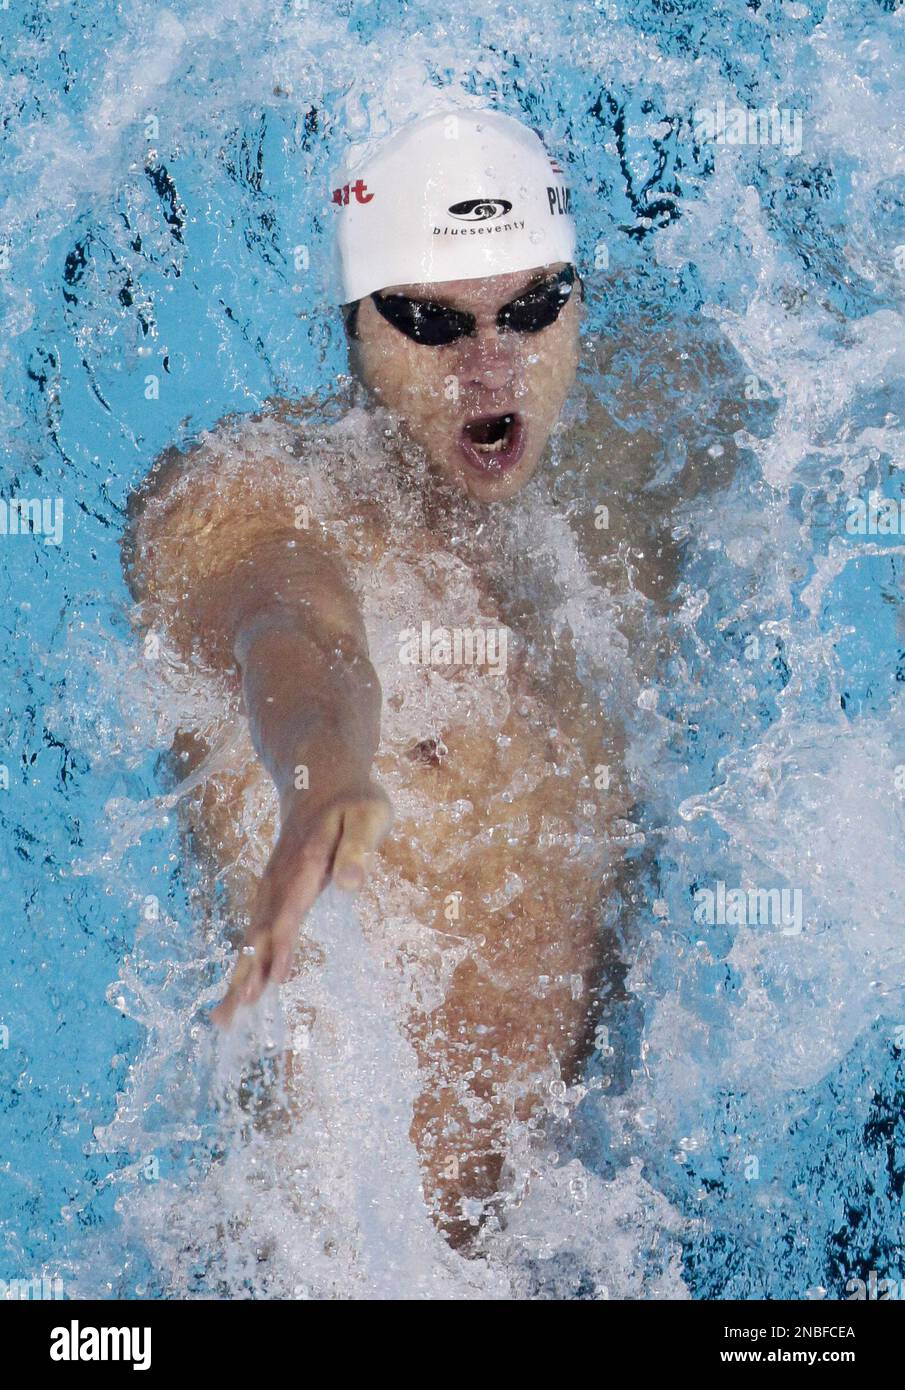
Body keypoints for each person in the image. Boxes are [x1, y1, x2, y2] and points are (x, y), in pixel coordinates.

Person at [123, 108, 628, 1250]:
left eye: (532, 309)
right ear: (352, 329)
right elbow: (290, 625)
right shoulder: (241, 497)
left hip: (598, 1210)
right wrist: (321, 775)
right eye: (432, 324)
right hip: (361, 1259)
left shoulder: (633, 475)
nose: (490, 368)